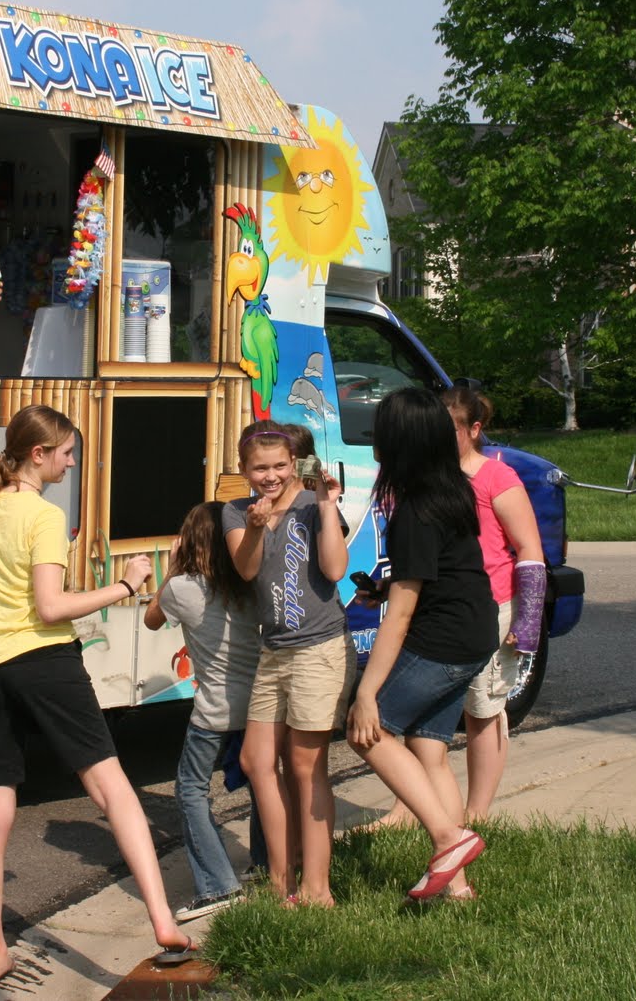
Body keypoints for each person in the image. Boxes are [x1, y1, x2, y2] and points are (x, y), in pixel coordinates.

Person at [0, 405, 194, 988]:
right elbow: (49, 608)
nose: (72, 461)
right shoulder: (43, 517)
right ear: (37, 455)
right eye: (67, 451)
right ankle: (163, 921)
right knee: (112, 789)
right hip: (45, 662)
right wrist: (125, 585)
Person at [369, 387, 545, 833]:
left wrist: (527, 621)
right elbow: (429, 566)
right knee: (429, 744)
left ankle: (464, 825)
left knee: (384, 727)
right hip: (457, 617)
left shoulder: (481, 483)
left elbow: (529, 551)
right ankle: (449, 857)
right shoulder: (440, 490)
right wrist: (387, 585)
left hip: (470, 619)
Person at [346, 387, 496, 903]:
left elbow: (402, 616)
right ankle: (458, 888)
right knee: (429, 750)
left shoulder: (412, 511)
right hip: (475, 631)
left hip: (445, 639)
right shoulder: (450, 490)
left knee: (368, 732)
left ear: (400, 443)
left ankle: (448, 840)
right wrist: (385, 586)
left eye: (380, 431)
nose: (373, 441)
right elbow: (440, 572)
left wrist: (367, 694)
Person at [223, 424, 351, 907]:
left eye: (280, 465)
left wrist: (325, 504)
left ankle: (317, 889)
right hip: (275, 650)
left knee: (305, 765)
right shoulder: (237, 512)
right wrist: (256, 527)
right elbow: (247, 569)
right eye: (260, 468)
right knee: (256, 760)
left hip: (319, 647)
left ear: (295, 462)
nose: (270, 476)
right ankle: (282, 882)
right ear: (244, 470)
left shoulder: (312, 503)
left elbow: (336, 570)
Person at [143, 501, 263, 922]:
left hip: (213, 710)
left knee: (191, 791)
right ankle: (265, 869)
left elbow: (151, 620)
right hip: (260, 706)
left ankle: (217, 885)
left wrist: (172, 568)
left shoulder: (183, 588)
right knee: (262, 785)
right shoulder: (250, 584)